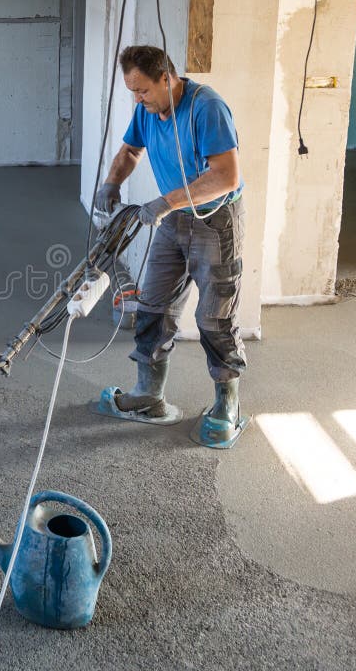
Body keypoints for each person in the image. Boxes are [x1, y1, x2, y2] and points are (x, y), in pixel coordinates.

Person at [95, 45, 246, 447]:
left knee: (215, 318)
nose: (138, 100)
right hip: (174, 221)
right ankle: (149, 392)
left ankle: (227, 403)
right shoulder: (147, 110)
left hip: (214, 221)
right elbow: (130, 150)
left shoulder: (206, 108)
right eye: (132, 91)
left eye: (142, 90)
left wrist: (164, 202)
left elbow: (226, 176)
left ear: (166, 77)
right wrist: (112, 181)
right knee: (153, 307)